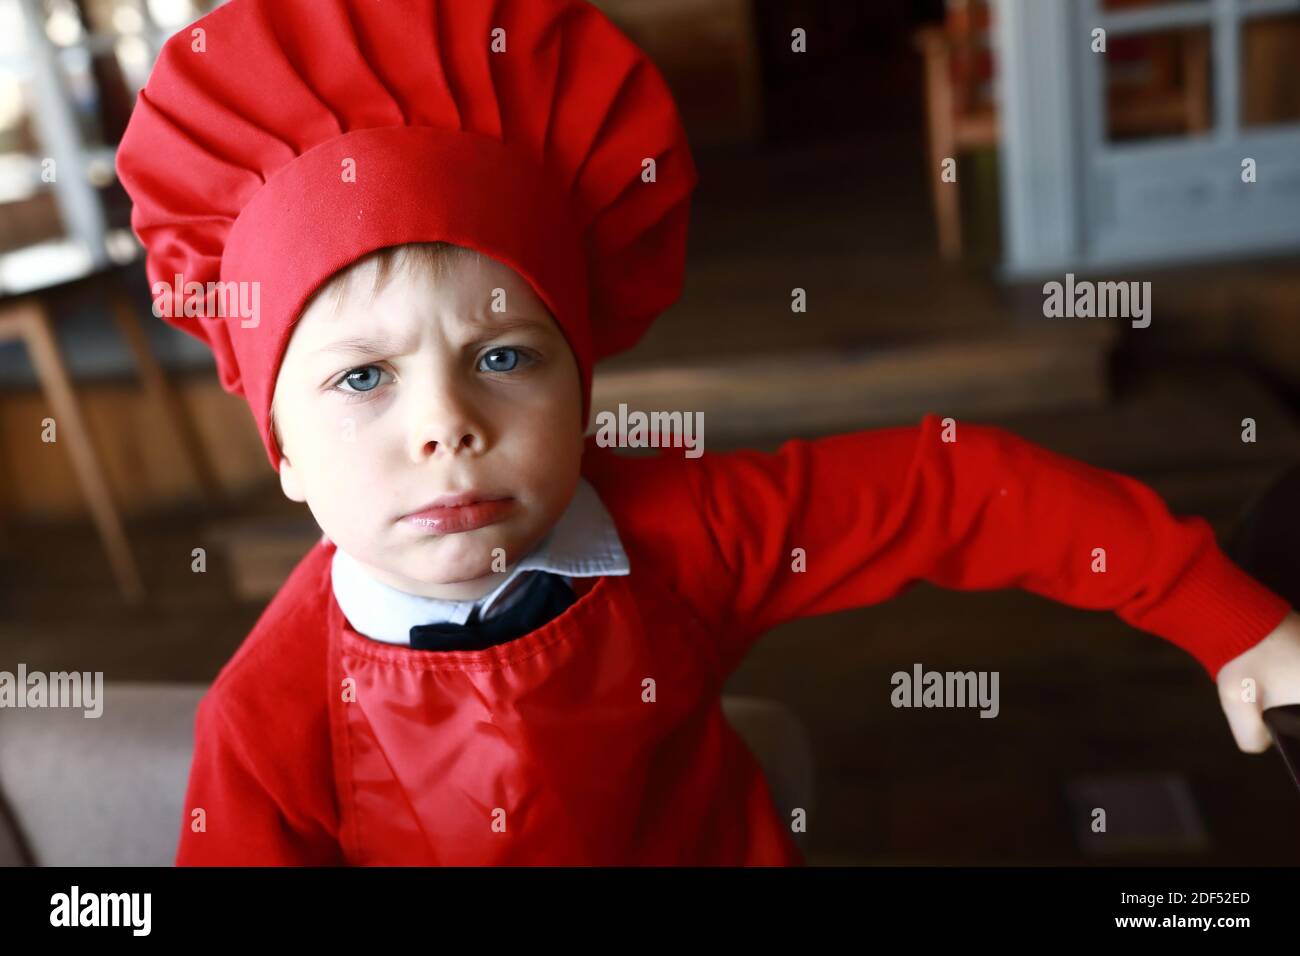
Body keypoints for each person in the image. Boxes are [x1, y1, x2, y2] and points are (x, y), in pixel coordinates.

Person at [115, 0, 1300, 865]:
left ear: (583, 394)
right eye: (363, 376)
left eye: (504, 356)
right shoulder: (263, 722)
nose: (445, 424)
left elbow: (957, 487)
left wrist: (1225, 616)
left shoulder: (695, 533)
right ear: (280, 450)